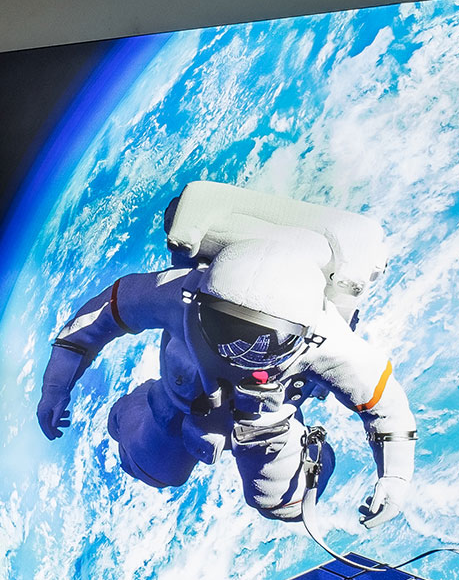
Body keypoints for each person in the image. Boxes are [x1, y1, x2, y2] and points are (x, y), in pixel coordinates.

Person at [37, 221, 416, 528]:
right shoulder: (177, 295)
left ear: (305, 335)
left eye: (258, 343)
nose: (238, 352)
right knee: (148, 465)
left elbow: (387, 409)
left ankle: (294, 447)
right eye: (225, 331)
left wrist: (394, 480)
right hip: (179, 402)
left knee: (286, 504)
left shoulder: (329, 343)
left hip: (264, 425)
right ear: (199, 298)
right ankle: (147, 410)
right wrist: (55, 387)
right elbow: (95, 321)